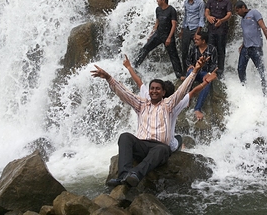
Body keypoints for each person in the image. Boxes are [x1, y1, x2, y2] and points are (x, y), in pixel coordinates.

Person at [90, 56, 213, 188]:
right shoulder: (141, 104)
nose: (154, 91)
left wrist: (195, 71)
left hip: (159, 148)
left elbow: (183, 90)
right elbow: (124, 92)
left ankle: (135, 175)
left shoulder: (168, 104)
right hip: (142, 145)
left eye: (158, 89)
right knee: (125, 137)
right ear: (149, 91)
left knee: (161, 149)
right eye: (152, 88)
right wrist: (109, 78)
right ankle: (123, 176)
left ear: (163, 92)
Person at [123, 55, 217, 152]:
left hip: (145, 142)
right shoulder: (174, 104)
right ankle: (181, 147)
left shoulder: (148, 98)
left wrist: (129, 67)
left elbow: (139, 82)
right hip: (168, 145)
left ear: (162, 92)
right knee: (179, 138)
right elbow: (192, 92)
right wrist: (206, 82)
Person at [134, 0, 183, 79]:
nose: (157, 1)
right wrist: (151, 34)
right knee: (145, 48)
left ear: (163, 0)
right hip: (158, 34)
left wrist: (169, 38)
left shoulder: (171, 10)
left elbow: (174, 25)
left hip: (168, 35)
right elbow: (157, 23)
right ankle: (135, 66)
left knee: (173, 56)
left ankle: (179, 75)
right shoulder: (158, 9)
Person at [235, 0, 267, 95]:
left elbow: (263, 27)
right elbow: (247, 33)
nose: (237, 13)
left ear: (243, 7)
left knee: (261, 69)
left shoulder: (254, 13)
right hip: (246, 48)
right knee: (240, 68)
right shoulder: (242, 19)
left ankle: (266, 92)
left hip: (255, 48)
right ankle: (244, 88)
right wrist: (242, 44)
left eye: (238, 10)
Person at [185, 31, 218, 120]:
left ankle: (197, 108)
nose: (195, 40)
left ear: (203, 41)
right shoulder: (193, 48)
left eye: (197, 39)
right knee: (189, 72)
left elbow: (214, 64)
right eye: (195, 39)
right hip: (195, 71)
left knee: (208, 82)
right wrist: (190, 65)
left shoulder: (212, 49)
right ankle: (187, 98)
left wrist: (209, 74)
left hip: (205, 73)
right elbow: (188, 60)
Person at [205, 0, 232, 78]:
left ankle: (220, 71)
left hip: (222, 29)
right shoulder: (210, 1)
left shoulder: (227, 2)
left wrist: (221, 20)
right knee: (210, 49)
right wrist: (208, 16)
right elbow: (207, 10)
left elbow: (229, 14)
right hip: (211, 29)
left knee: (221, 49)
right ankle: (210, 69)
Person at [180, 0, 205, 76]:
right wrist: (182, 29)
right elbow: (185, 16)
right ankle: (185, 71)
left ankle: (198, 70)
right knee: (184, 50)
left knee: (197, 50)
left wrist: (198, 32)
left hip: (195, 29)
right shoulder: (186, 2)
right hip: (187, 28)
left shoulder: (200, 2)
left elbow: (202, 17)